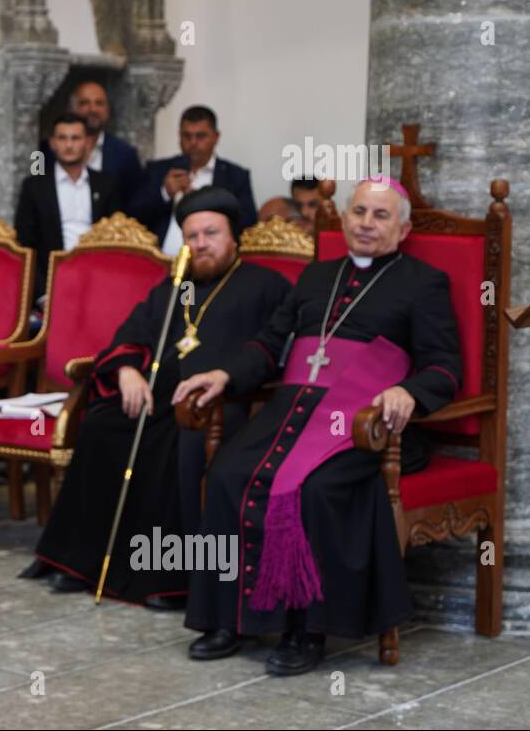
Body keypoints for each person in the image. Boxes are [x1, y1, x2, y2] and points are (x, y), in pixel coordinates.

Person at [173, 177, 462, 675]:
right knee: (226, 474)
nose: (367, 224)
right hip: (291, 412)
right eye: (359, 213)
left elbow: (444, 367)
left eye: (380, 215)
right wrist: (225, 373)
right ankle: (227, 617)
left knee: (316, 488)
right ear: (343, 219)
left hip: (365, 424)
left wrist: (408, 392)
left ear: (404, 227)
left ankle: (305, 630)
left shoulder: (424, 283)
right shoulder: (314, 277)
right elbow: (269, 343)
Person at [19, 188, 291, 606]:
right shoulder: (175, 286)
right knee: (101, 425)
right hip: (158, 394)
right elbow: (134, 330)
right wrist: (127, 371)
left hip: (222, 403)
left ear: (234, 236)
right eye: (192, 236)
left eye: (211, 233)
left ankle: (168, 579)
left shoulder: (266, 286)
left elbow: (272, 352)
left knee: (177, 442)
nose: (200, 244)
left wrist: (227, 378)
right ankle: (82, 561)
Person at [17, 113, 123, 301]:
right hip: (50, 283)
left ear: (88, 143)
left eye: (75, 138)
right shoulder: (34, 187)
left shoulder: (106, 185)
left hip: (97, 281)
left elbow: (117, 242)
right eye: (62, 138)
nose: (68, 145)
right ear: (52, 143)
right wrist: (42, 294)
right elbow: (25, 246)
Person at [131, 105, 256, 255]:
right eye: (187, 136)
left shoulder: (236, 176)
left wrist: (207, 202)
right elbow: (133, 217)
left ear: (216, 137)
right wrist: (164, 192)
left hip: (212, 263)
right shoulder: (158, 170)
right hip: (160, 259)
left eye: (201, 136)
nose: (193, 143)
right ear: (179, 137)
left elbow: (249, 226)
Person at [38, 81, 144, 203]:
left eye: (99, 103)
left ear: (107, 110)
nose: (93, 109)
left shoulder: (125, 154)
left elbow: (136, 203)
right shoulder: (42, 151)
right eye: (84, 103)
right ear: (70, 108)